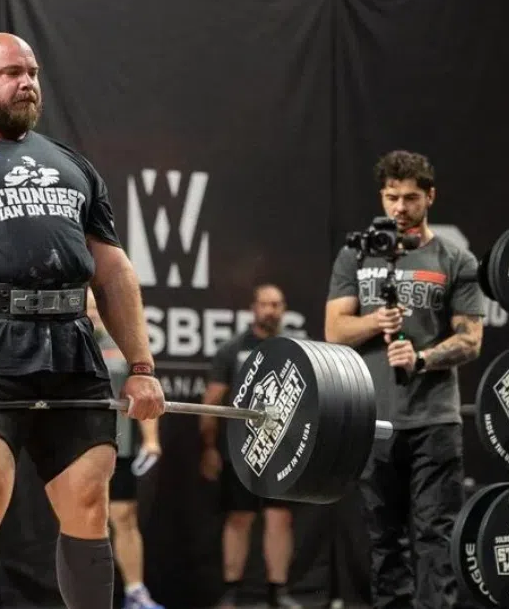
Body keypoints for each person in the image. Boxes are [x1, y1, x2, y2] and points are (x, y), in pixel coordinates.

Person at [0, 31, 166, 609]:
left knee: (90, 501)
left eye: (33, 73)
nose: (27, 84)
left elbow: (113, 274)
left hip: (71, 346)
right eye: (11, 72)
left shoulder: (72, 165)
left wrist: (141, 366)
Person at [324, 150, 484, 608]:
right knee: (384, 539)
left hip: (435, 420)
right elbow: (335, 330)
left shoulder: (455, 258)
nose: (399, 208)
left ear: (429, 197)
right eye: (391, 197)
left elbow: (470, 340)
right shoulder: (356, 253)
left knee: (437, 537)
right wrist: (378, 321)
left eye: (410, 198)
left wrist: (422, 358)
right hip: (374, 420)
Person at [199, 284, 301, 609]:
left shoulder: (294, 350)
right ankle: (231, 591)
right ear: (253, 308)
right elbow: (212, 402)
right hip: (240, 453)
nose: (270, 310)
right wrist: (210, 448)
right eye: (264, 304)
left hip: (282, 453)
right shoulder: (233, 349)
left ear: (283, 308)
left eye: (276, 304)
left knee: (279, 519)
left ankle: (278, 592)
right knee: (239, 518)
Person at [86, 289, 164, 609]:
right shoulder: (67, 346)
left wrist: (151, 440)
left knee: (123, 517)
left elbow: (143, 394)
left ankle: (135, 593)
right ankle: (87, 597)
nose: (91, 313)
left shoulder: (122, 345)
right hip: (76, 449)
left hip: (119, 446)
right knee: (85, 520)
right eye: (86, 306)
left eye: (96, 307)